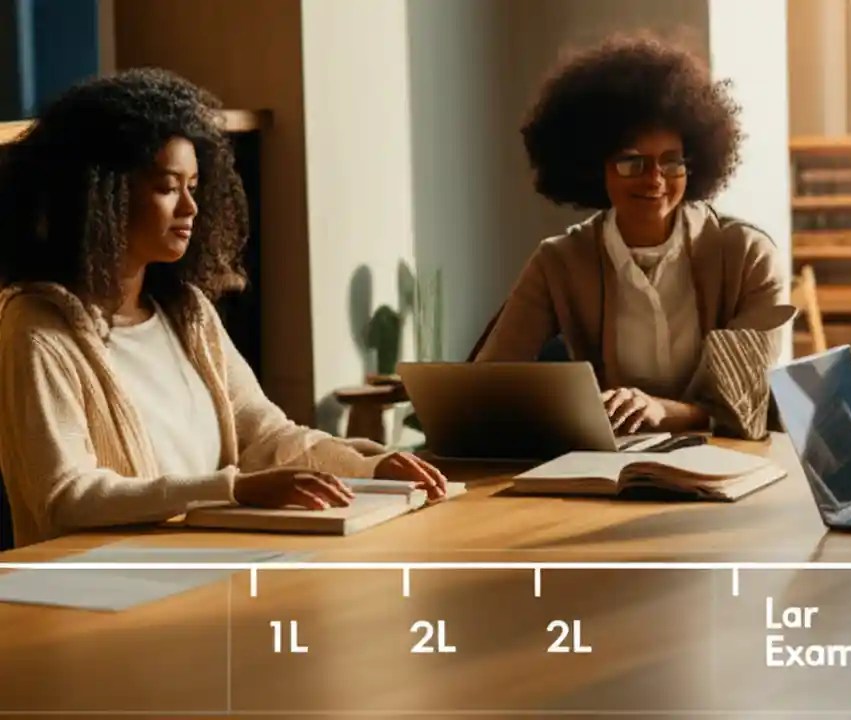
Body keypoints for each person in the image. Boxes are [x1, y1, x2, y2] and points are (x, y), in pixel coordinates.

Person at [0, 68, 449, 549]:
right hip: (107, 594)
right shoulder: (37, 330)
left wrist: (371, 466)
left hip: (209, 571)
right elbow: (67, 495)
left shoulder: (188, 313)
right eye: (168, 187)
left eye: (194, 185)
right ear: (102, 196)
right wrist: (230, 490)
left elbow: (265, 436)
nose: (191, 208)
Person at [470, 33, 787, 437]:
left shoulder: (748, 256)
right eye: (631, 163)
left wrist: (662, 411)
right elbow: (488, 384)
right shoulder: (560, 262)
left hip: (730, 463)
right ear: (594, 167)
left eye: (671, 162)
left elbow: (743, 405)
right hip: (614, 468)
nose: (654, 179)